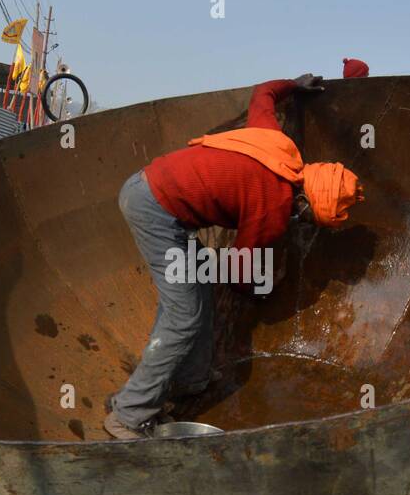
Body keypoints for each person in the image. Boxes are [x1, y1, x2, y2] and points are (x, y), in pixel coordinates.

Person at [104, 75, 363, 440]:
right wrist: (263, 290)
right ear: (305, 202)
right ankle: (127, 415)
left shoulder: (278, 146)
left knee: (197, 294)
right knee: (183, 317)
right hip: (155, 210)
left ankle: (187, 382)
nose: (301, 222)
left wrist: (294, 84)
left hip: (151, 191)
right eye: (308, 217)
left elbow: (264, 94)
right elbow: (240, 271)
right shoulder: (273, 206)